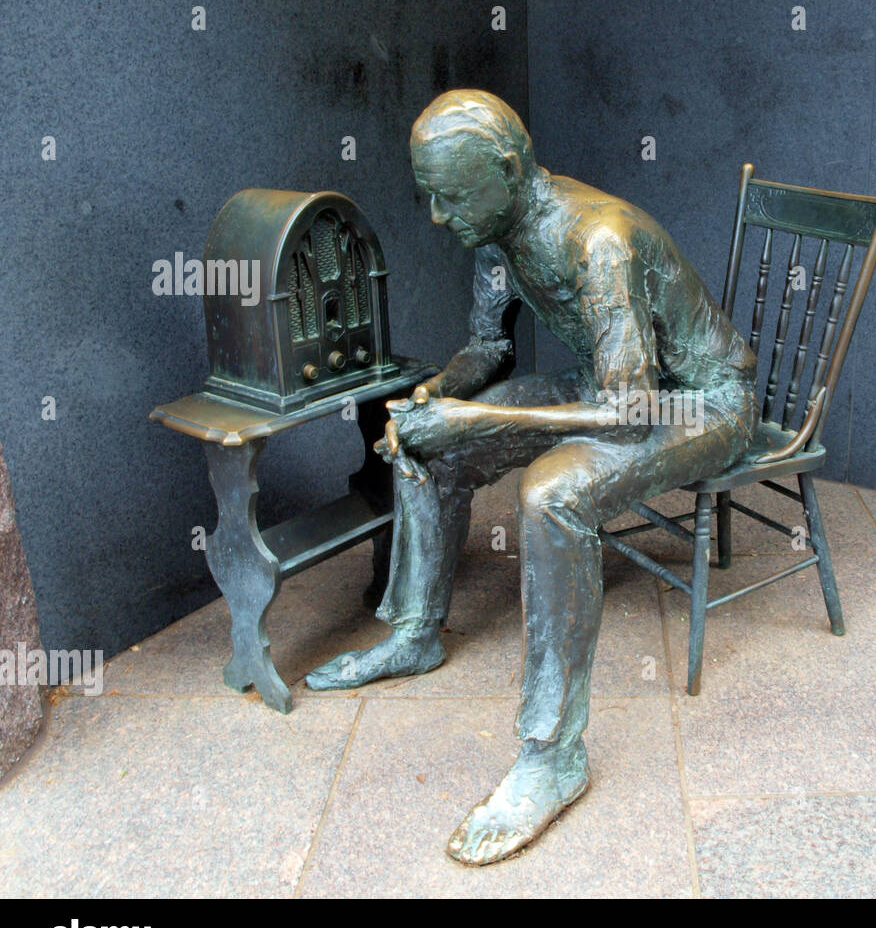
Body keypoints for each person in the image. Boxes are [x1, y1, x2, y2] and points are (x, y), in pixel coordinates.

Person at [307, 90, 756, 865]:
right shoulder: (498, 228)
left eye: (451, 196)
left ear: (508, 170)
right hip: (617, 387)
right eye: (431, 196)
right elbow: (491, 348)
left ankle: (552, 754)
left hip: (703, 403)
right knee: (432, 445)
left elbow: (631, 411)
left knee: (551, 497)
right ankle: (415, 632)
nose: (440, 217)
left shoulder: (598, 242)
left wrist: (476, 420)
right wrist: (438, 396)